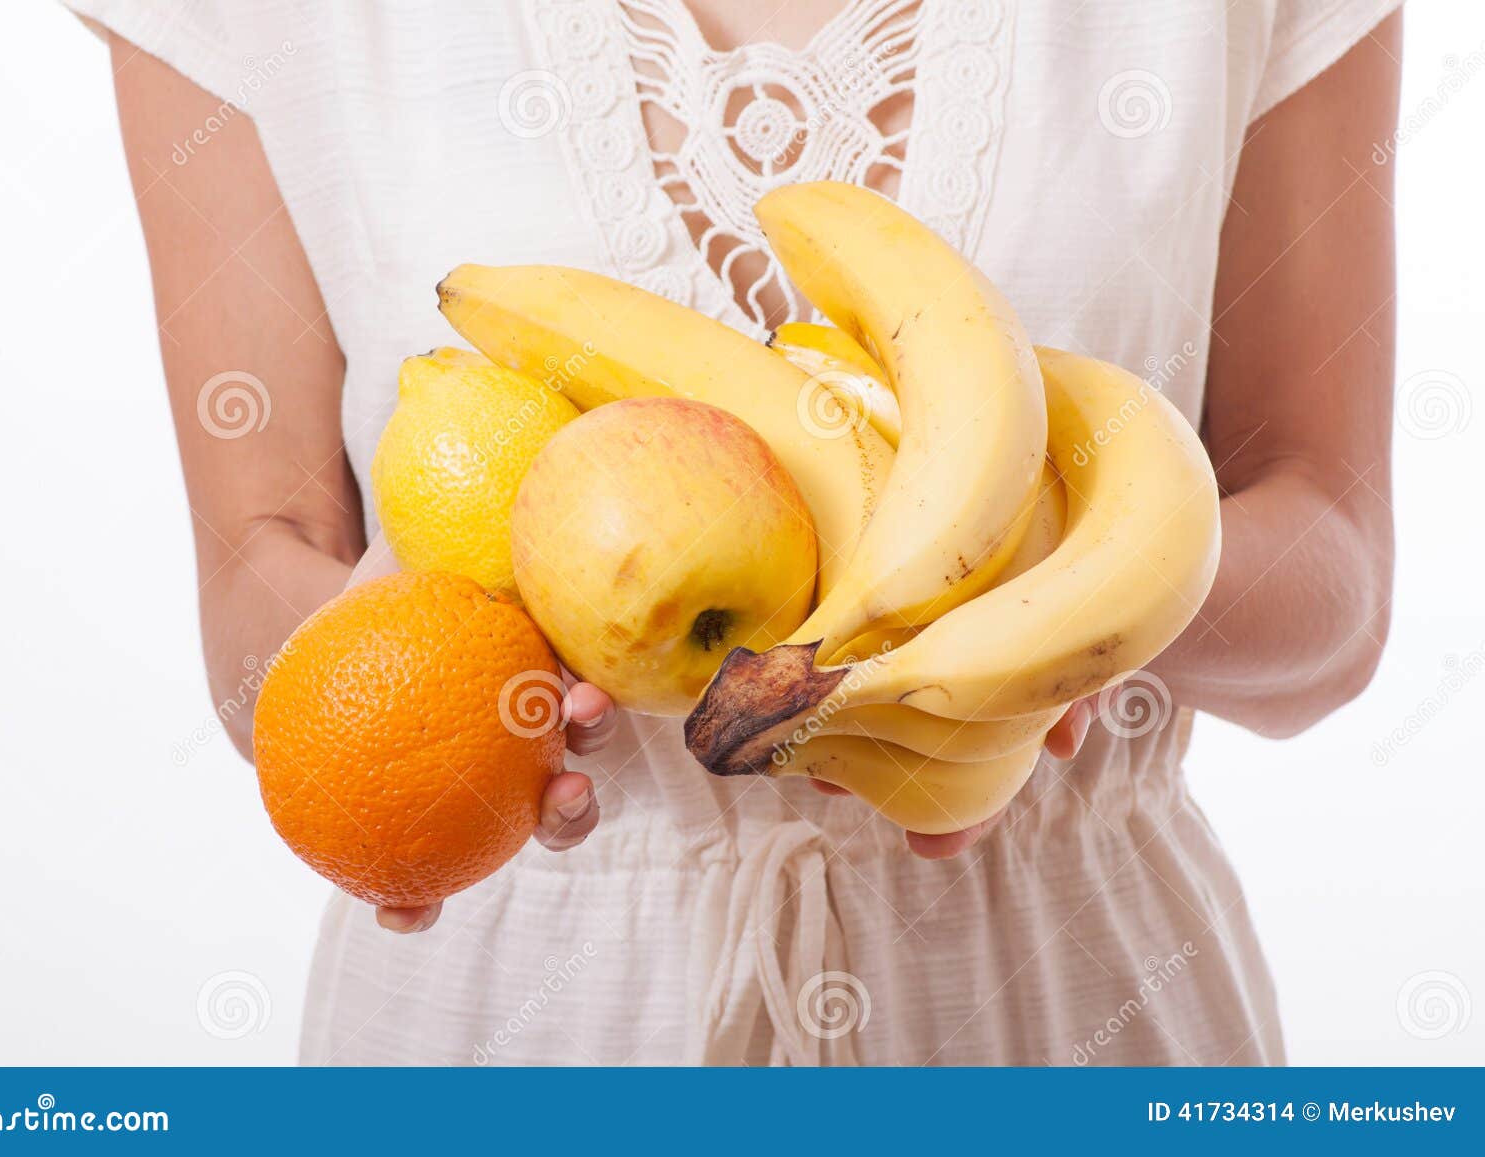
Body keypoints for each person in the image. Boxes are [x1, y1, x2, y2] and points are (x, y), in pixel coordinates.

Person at [72, 0, 1400, 1064]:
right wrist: (410, 666)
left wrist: (1052, 613)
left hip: (1076, 1014)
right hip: (506, 1030)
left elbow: (1332, 570)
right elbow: (258, 566)